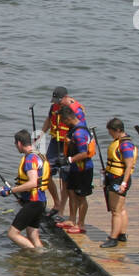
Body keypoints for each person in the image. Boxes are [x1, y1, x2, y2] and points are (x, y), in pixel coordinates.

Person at [1, 129, 49, 249]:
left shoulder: (29, 159)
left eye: (15, 144)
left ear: (19, 143)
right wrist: (23, 197)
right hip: (40, 201)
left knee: (12, 234)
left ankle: (36, 253)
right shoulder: (40, 155)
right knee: (32, 234)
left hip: (34, 202)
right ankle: (41, 255)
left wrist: (11, 190)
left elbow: (33, 183)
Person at [44, 86, 86, 217]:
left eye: (59, 100)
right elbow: (48, 120)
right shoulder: (54, 107)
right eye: (55, 100)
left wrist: (71, 143)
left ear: (66, 97)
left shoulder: (77, 110)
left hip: (68, 145)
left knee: (65, 178)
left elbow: (81, 128)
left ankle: (61, 210)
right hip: (55, 142)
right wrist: (41, 134)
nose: (57, 103)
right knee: (46, 172)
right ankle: (56, 203)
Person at [100, 117, 136, 248]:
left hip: (119, 180)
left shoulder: (125, 145)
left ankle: (113, 238)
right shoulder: (119, 141)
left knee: (115, 210)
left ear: (118, 130)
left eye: (111, 132)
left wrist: (124, 183)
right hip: (114, 177)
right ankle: (121, 233)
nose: (110, 135)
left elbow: (129, 165)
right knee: (121, 209)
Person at [59, 109, 96, 234]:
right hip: (74, 168)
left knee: (81, 197)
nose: (63, 124)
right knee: (71, 192)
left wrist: (69, 159)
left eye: (63, 121)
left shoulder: (79, 133)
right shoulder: (74, 130)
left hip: (83, 169)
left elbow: (85, 153)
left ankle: (81, 224)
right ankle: (71, 220)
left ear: (68, 119)